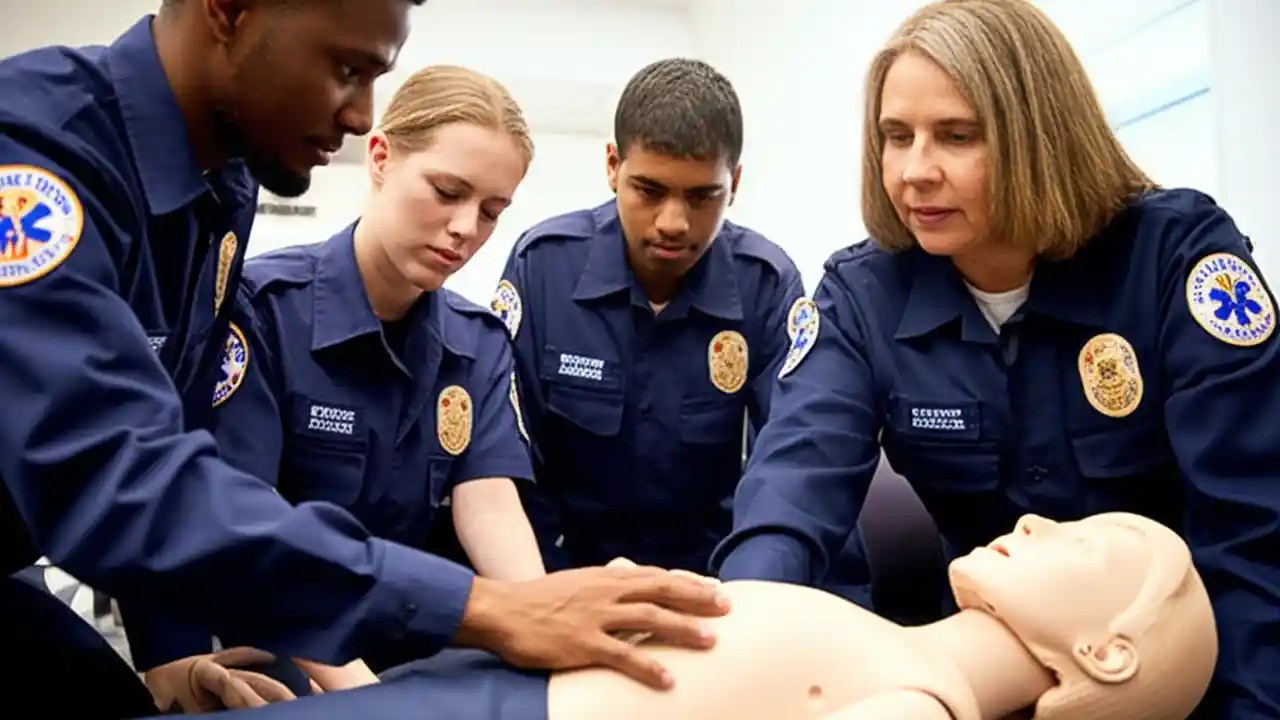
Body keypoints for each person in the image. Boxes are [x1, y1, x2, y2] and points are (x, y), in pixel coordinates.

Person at [0, 1, 729, 714]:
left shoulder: (223, 189)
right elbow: (137, 478)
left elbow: (168, 447)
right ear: (229, 11)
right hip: (293, 623)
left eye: (492, 210)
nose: (357, 114)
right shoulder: (42, 151)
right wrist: (485, 612)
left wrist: (545, 615)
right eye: (346, 68)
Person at [709, 0, 1280, 717]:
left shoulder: (1176, 261)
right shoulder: (863, 295)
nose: (915, 171)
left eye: (957, 136)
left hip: (1185, 679)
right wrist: (738, 637)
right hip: (999, 679)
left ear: (1039, 135)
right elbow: (793, 484)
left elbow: (1252, 535)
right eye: (896, 136)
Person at [133, 64, 549, 705]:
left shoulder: (478, 345)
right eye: (446, 191)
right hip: (279, 647)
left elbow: (490, 507)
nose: (467, 227)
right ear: (380, 157)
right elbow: (253, 530)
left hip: (407, 649)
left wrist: (548, 632)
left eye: (492, 211)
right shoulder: (262, 310)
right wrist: (366, 696)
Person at [202, 511, 1219, 720]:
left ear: (1104, 651)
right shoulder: (893, 643)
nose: (1036, 519)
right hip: (508, 672)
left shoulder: (921, 705)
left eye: (1081, 543)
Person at [491, 57, 806, 575]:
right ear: (613, 166)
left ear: (736, 183)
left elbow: (793, 465)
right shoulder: (544, 266)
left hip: (714, 584)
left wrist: (751, 596)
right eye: (650, 191)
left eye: (703, 196)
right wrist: (552, 592)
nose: (673, 223)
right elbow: (512, 458)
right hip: (568, 580)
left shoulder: (765, 285)